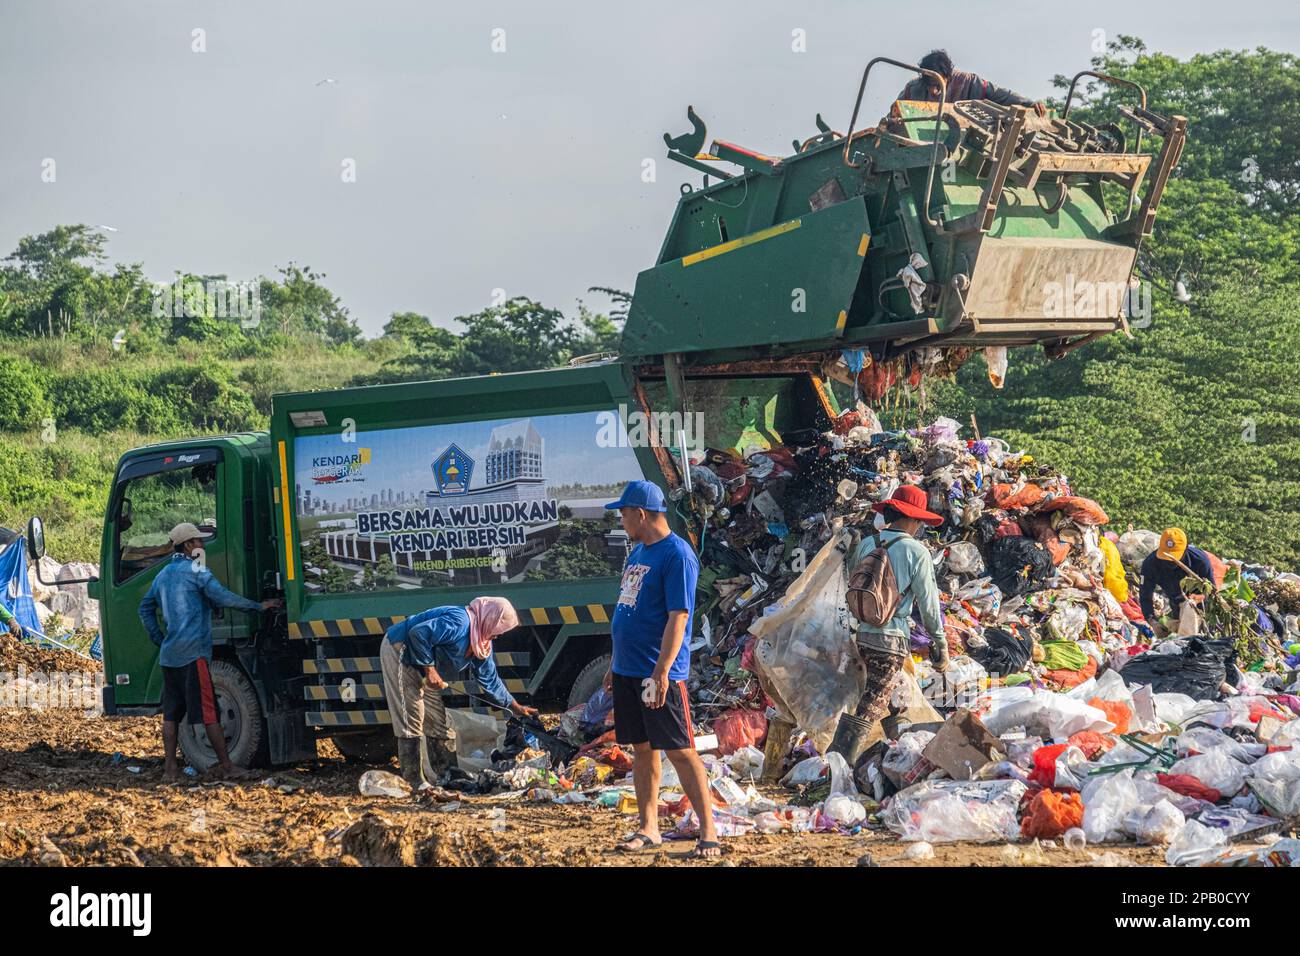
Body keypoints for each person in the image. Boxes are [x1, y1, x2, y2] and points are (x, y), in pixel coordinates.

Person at [601, 480, 719, 859]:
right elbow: (629, 608)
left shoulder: (677, 555)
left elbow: (678, 617)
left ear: (641, 513)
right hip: (627, 669)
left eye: (623, 513)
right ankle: (648, 827)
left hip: (657, 673)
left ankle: (709, 832)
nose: (621, 520)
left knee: (681, 750)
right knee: (642, 750)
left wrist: (663, 671)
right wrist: (613, 662)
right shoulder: (638, 553)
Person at [138, 522, 281, 783]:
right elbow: (223, 597)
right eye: (199, 542)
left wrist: (160, 638)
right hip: (194, 656)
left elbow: (145, 608)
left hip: (170, 656)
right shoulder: (196, 570)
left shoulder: (163, 574)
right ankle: (227, 766)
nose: (202, 546)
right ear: (188, 545)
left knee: (171, 715)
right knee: (209, 712)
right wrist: (258, 606)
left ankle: (170, 769)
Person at [830, 485, 948, 763]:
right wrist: (939, 642)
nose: (920, 526)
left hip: (863, 635)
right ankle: (836, 768)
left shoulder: (869, 544)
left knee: (897, 698)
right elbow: (929, 604)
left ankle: (901, 758)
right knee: (871, 706)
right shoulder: (916, 551)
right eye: (919, 520)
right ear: (911, 518)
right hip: (891, 641)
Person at [380, 596, 537, 788]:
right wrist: (430, 669)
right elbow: (418, 633)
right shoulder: (460, 621)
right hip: (401, 650)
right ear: (490, 618)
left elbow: (490, 679)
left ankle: (445, 775)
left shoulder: (481, 641)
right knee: (412, 714)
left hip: (424, 666)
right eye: (498, 629)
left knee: (438, 721)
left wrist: (516, 707)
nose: (498, 635)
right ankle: (413, 781)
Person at [898, 49, 1047, 117]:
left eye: (937, 85)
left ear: (948, 76)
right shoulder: (912, 89)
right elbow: (893, 115)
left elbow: (1002, 95)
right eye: (928, 85)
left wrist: (1030, 104)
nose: (933, 91)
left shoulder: (968, 82)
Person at [1138, 527, 1214, 627]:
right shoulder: (1151, 564)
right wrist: (1152, 620)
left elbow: (1212, 591)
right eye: (1166, 557)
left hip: (1201, 606)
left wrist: (1200, 598)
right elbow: (1145, 595)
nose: (1170, 561)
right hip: (1176, 603)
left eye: (1174, 557)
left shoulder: (1200, 561)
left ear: (1185, 549)